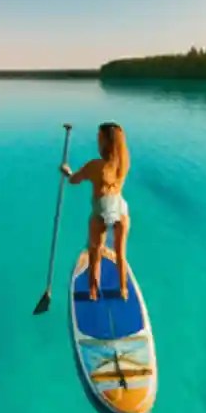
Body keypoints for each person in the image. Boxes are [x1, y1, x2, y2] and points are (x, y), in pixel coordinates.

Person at [61, 122, 131, 300]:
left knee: (95, 252)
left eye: (99, 137)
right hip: (121, 209)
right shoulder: (123, 164)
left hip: (102, 211)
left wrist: (67, 172)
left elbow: (74, 180)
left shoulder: (95, 166)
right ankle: (123, 289)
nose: (97, 140)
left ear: (105, 142)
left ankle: (93, 291)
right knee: (120, 254)